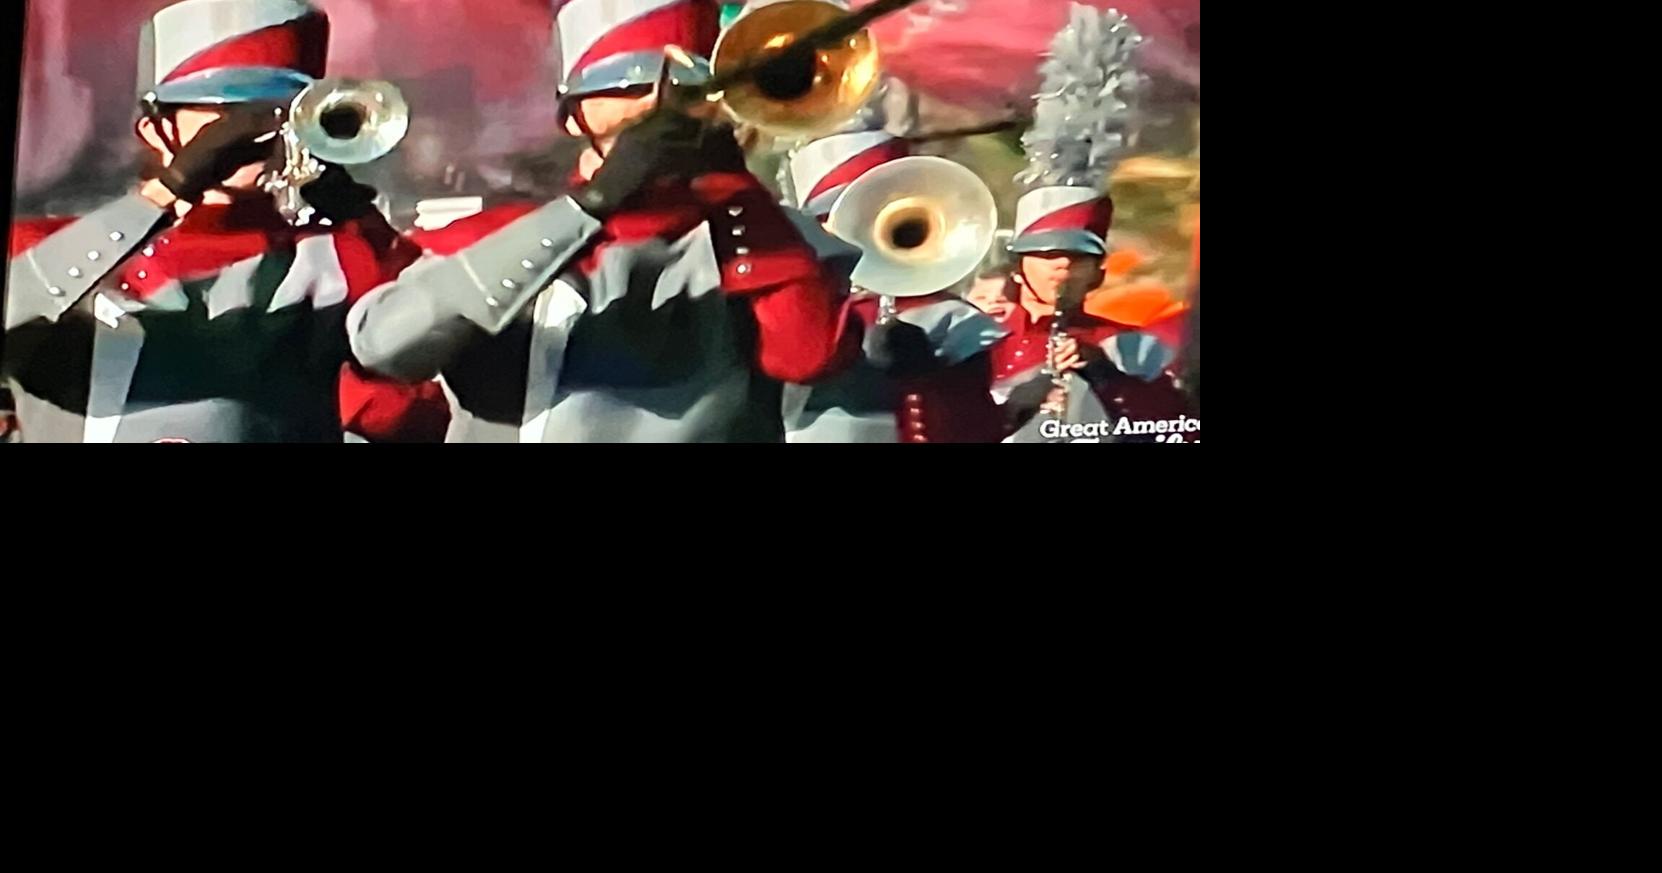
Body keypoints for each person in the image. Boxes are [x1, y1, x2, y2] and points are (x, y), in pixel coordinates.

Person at [346, 0, 862, 443]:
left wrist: (732, 187)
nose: (658, 100)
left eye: (688, 83)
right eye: (628, 83)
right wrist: (596, 201)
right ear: (572, 116)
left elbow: (807, 356)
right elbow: (388, 347)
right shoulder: (483, 236)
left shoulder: (778, 240)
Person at [3, 0, 448, 443]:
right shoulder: (57, 250)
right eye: (224, 113)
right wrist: (169, 189)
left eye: (282, 109)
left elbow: (420, 396)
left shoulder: (337, 252)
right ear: (156, 130)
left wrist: (367, 228)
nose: (257, 132)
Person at [992, 5, 1193, 444]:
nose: (1062, 265)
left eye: (1079, 257)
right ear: (1018, 267)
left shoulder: (1133, 348)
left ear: (1099, 272)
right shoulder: (979, 343)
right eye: (1046, 254)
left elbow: (1176, 430)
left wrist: (1104, 377)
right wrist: (1021, 401)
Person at [779, 92, 1007, 443]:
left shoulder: (950, 320)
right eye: (838, 217)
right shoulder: (791, 306)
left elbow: (978, 428)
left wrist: (926, 379)